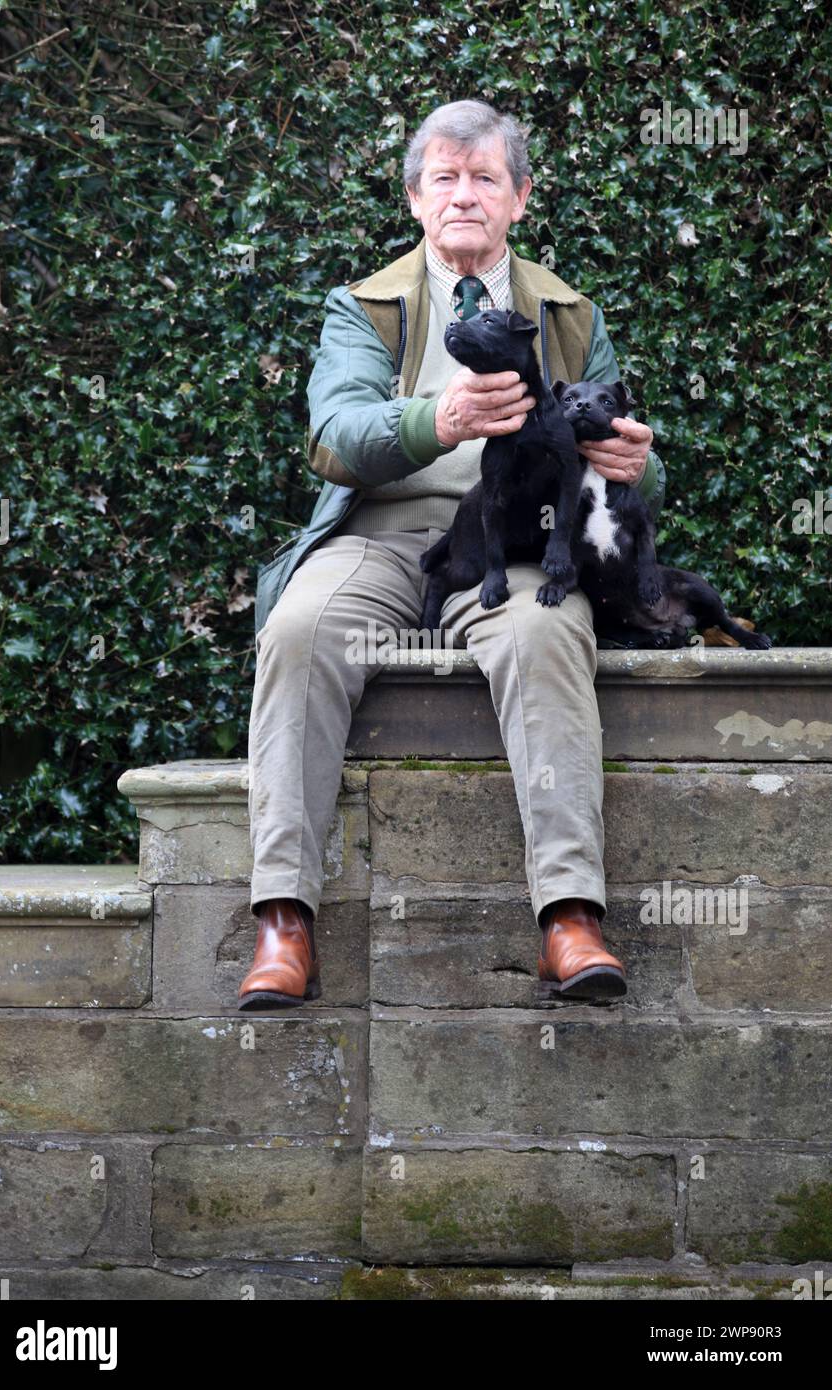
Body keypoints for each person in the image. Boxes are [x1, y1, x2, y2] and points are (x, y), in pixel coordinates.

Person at [239, 98, 665, 1010]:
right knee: (302, 633)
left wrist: (641, 462)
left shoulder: (569, 314)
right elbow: (337, 438)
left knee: (548, 640)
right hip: (386, 535)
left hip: (518, 541)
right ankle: (282, 921)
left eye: (484, 179)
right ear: (415, 199)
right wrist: (440, 421)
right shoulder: (364, 308)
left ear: (520, 199)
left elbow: (629, 465)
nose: (464, 196)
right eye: (446, 178)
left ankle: (569, 917)